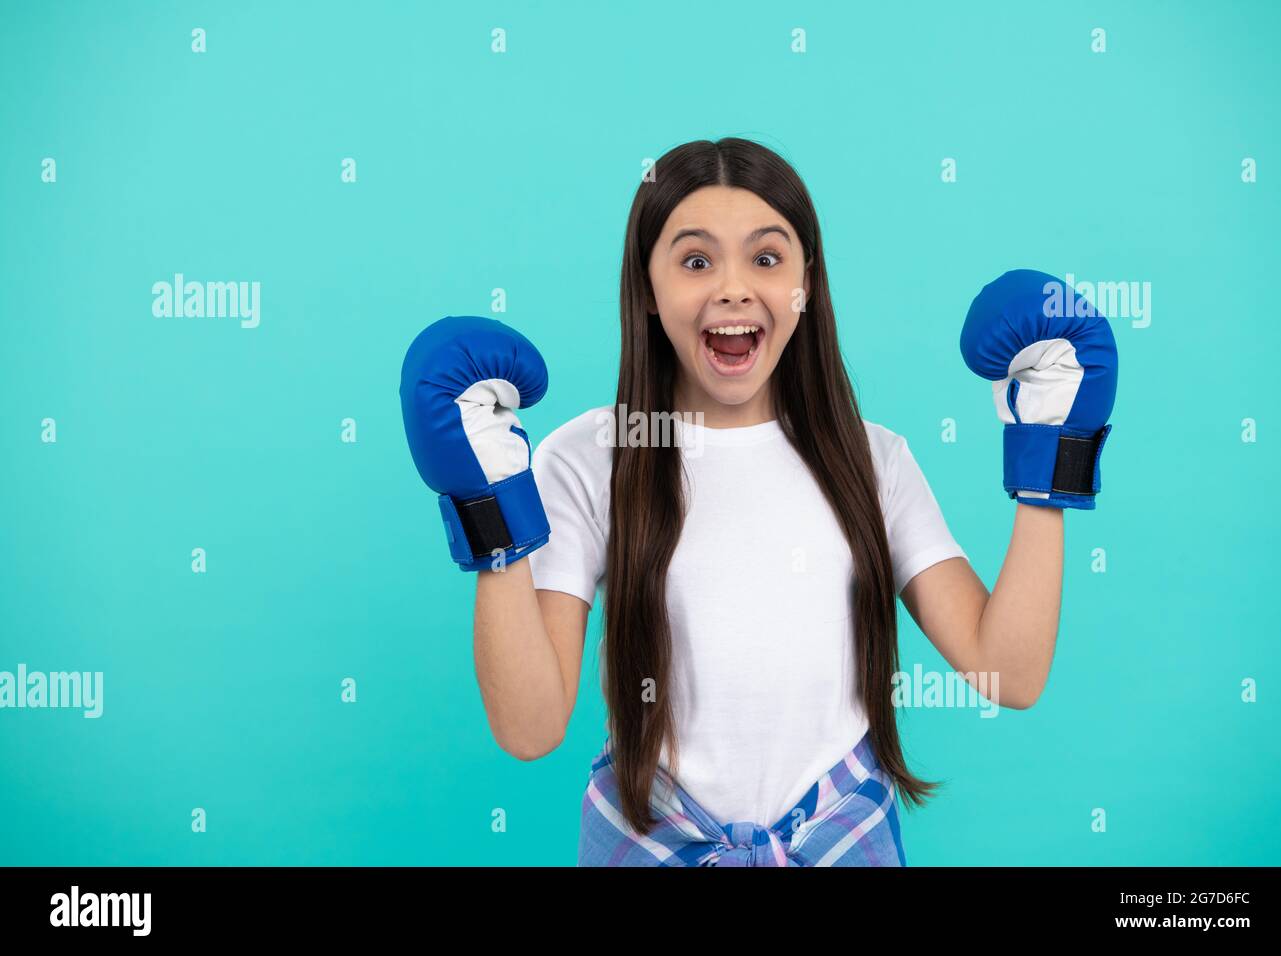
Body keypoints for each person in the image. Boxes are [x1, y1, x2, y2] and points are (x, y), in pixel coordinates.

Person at [399, 137, 1118, 866]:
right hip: (651, 840)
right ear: (647, 287)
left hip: (841, 839)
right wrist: (486, 500)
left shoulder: (873, 459)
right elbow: (530, 727)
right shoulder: (593, 456)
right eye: (696, 260)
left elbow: (1011, 671)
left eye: (767, 258)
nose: (735, 288)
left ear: (807, 285)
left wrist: (1054, 455)